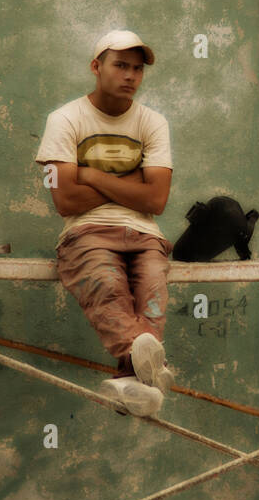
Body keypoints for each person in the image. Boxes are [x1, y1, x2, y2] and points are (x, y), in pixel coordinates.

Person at [35, 29, 175, 417]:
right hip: (85, 233)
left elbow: (156, 200)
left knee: (152, 297)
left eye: (137, 69)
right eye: (121, 65)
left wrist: (92, 176)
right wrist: (132, 184)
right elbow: (64, 200)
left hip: (146, 234)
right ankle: (142, 377)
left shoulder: (153, 122)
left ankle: (130, 385)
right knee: (108, 288)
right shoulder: (63, 119)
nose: (130, 76)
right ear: (96, 67)